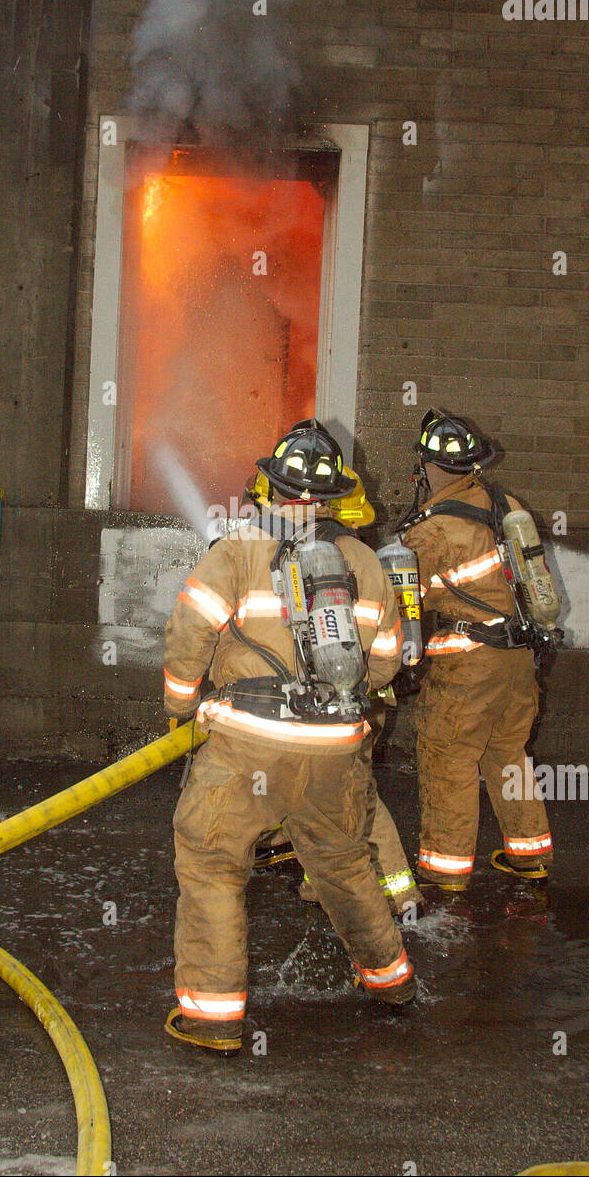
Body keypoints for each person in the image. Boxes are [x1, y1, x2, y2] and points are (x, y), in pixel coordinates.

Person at [163, 420, 416, 1056]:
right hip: (335, 750)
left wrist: (179, 704)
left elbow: (189, 632)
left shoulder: (238, 552)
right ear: (332, 499)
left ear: (271, 489)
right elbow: (386, 662)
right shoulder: (361, 561)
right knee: (344, 864)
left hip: (248, 745)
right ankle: (391, 981)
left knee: (214, 865)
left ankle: (213, 1018)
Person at [245, 461, 424, 917]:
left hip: (338, 702)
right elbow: (388, 647)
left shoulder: (296, 556)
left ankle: (399, 895)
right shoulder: (358, 556)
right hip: (362, 695)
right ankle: (317, 875)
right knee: (320, 789)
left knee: (355, 795)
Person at [396, 409, 554, 894]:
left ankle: (445, 875)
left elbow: (401, 605)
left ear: (425, 467)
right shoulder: (507, 505)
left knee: (449, 757)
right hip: (519, 656)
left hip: (468, 665)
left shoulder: (431, 533)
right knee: (508, 752)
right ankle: (530, 857)